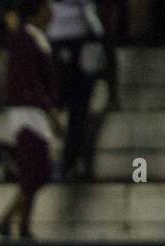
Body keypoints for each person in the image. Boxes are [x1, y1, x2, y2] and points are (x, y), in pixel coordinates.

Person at [0, 0, 59, 240]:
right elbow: (28, 78)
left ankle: (15, 222)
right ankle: (11, 221)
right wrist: (49, 109)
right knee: (35, 170)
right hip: (27, 112)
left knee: (36, 172)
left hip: (34, 111)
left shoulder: (36, 38)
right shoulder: (24, 39)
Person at [48, 0, 106, 181]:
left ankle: (72, 156)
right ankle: (63, 156)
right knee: (63, 98)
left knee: (80, 102)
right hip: (63, 33)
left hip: (84, 35)